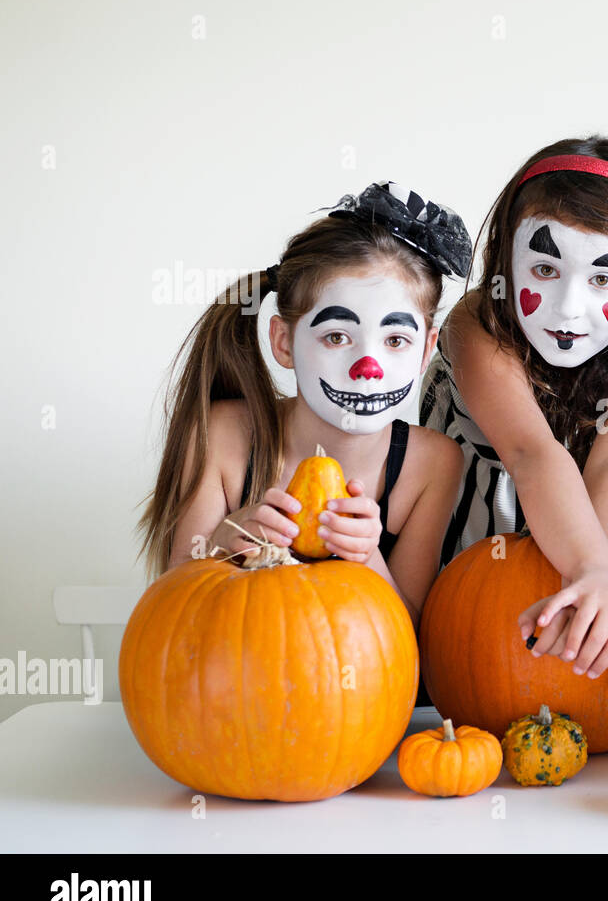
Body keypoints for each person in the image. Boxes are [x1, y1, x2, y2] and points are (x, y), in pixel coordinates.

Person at [419, 136, 608, 680]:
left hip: (597, 535)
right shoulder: (477, 327)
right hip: (465, 575)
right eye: (545, 270)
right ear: (505, 260)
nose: (570, 307)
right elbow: (530, 453)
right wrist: (589, 567)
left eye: (602, 278)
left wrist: (594, 578)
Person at [137, 181, 469, 628]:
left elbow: (409, 637)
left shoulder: (433, 463)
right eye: (336, 336)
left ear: (426, 349)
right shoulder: (222, 436)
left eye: (395, 340)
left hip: (362, 694)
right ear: (284, 342)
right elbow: (172, 615)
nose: (368, 367)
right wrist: (222, 545)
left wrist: (367, 556)